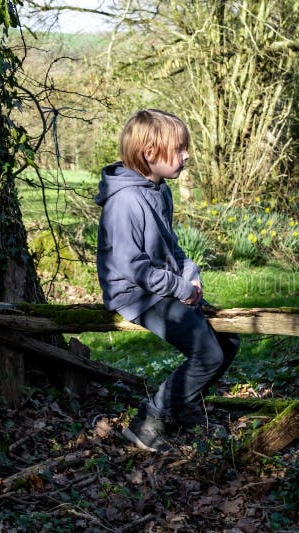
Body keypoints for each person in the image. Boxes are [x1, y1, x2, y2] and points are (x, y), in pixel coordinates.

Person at [94, 109, 239, 452]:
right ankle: (149, 422)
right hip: (135, 295)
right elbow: (132, 267)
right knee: (208, 354)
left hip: (162, 288)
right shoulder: (125, 200)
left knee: (228, 340)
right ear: (149, 154)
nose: (187, 155)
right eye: (179, 148)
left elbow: (170, 245)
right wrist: (180, 289)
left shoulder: (159, 190)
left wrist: (190, 274)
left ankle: (179, 406)